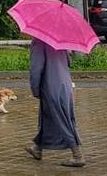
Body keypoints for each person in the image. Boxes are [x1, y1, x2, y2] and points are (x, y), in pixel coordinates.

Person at [26, 36, 84, 167]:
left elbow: (36, 68)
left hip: (51, 86)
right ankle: (37, 148)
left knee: (62, 119)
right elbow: (69, 61)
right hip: (65, 84)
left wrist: (35, 90)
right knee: (47, 117)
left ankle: (77, 155)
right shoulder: (59, 39)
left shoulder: (39, 40)